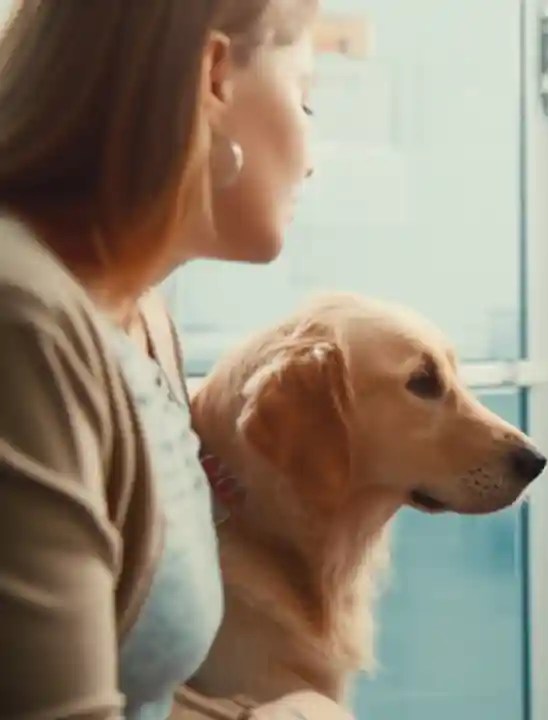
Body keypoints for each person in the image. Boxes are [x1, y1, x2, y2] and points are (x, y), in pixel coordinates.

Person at [0, 2, 348, 718]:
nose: (314, 156)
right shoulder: (24, 326)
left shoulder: (142, 318)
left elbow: (131, 687)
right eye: (306, 98)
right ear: (215, 77)